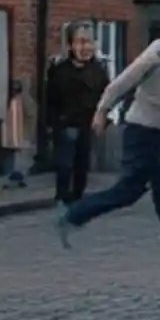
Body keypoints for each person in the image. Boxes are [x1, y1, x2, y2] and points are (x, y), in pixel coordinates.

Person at [56, 14, 160, 249]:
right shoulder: (158, 53)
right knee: (128, 191)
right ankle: (74, 215)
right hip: (141, 130)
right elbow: (123, 82)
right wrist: (102, 110)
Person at [45, 23, 110, 202]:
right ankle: (62, 198)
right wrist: (52, 124)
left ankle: (76, 198)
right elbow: (50, 99)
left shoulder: (98, 70)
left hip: (87, 124)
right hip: (66, 123)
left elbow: (107, 95)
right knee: (65, 165)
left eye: (89, 42)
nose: (85, 47)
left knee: (82, 165)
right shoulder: (60, 70)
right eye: (80, 42)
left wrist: (104, 117)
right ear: (71, 45)